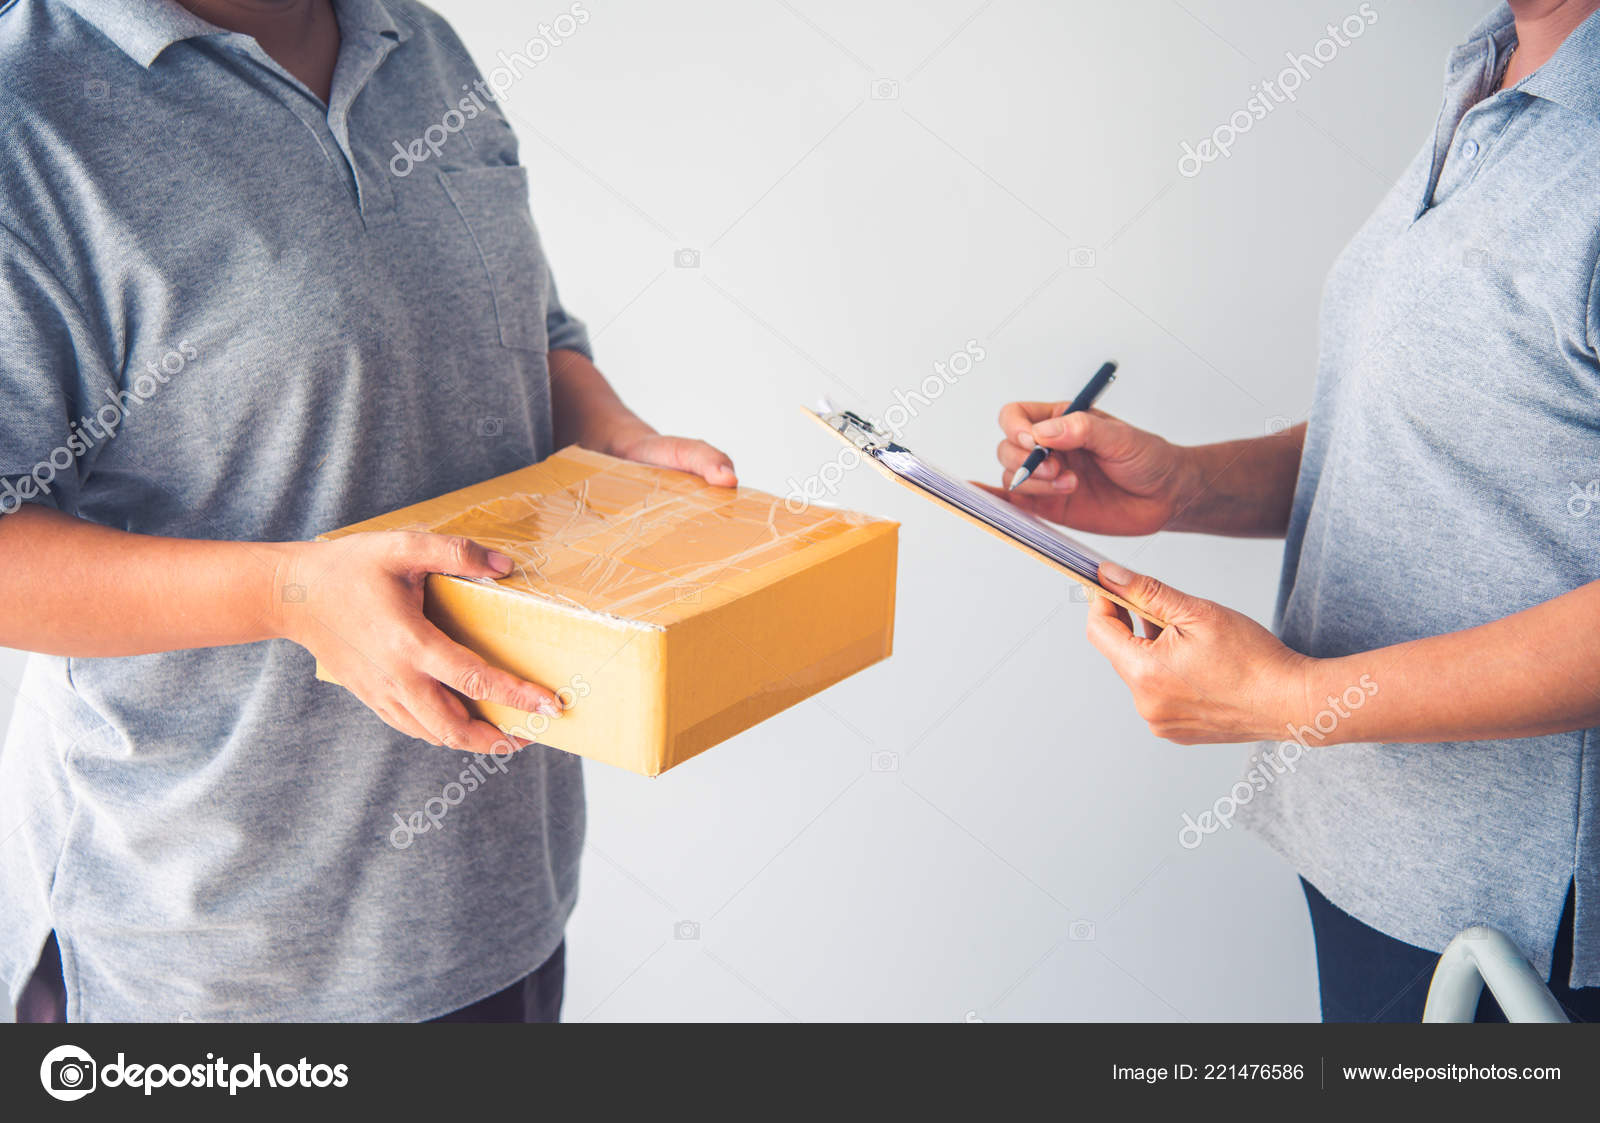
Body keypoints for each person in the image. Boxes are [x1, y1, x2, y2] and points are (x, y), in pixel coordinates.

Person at [0, 0, 736, 1022]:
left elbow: (533, 326)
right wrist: (290, 593)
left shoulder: (416, 42)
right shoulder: (24, 110)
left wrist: (611, 437)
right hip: (209, 963)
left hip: (498, 907)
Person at [993, 0, 1600, 1022]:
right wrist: (1183, 483)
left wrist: (1291, 698)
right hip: (1373, 847)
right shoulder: (1490, 72)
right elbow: (1456, 434)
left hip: (1525, 923)